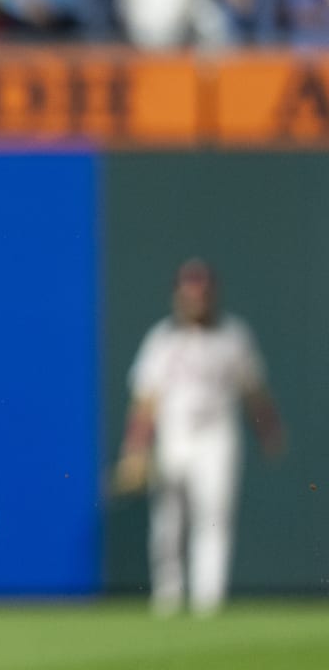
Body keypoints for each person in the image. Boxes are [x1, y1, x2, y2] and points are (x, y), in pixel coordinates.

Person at [115, 258, 285, 617]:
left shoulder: (233, 336)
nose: (196, 300)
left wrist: (268, 431)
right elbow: (145, 402)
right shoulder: (163, 339)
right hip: (175, 434)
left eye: (202, 293)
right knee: (169, 520)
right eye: (189, 293)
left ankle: (209, 601)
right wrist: (134, 450)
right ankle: (168, 597)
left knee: (214, 516)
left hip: (218, 435)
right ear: (178, 296)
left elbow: (254, 392)